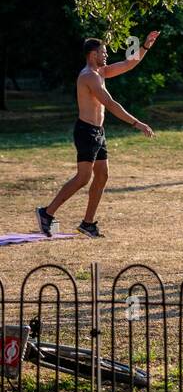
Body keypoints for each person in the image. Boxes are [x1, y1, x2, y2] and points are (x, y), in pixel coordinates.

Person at [35, 33, 159, 239]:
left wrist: (145, 46)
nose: (106, 55)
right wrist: (137, 123)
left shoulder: (100, 72)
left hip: (98, 132)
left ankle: (88, 223)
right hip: (86, 132)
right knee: (83, 178)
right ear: (93, 55)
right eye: (103, 52)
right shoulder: (89, 76)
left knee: (102, 175)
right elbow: (110, 104)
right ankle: (46, 213)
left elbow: (128, 64)